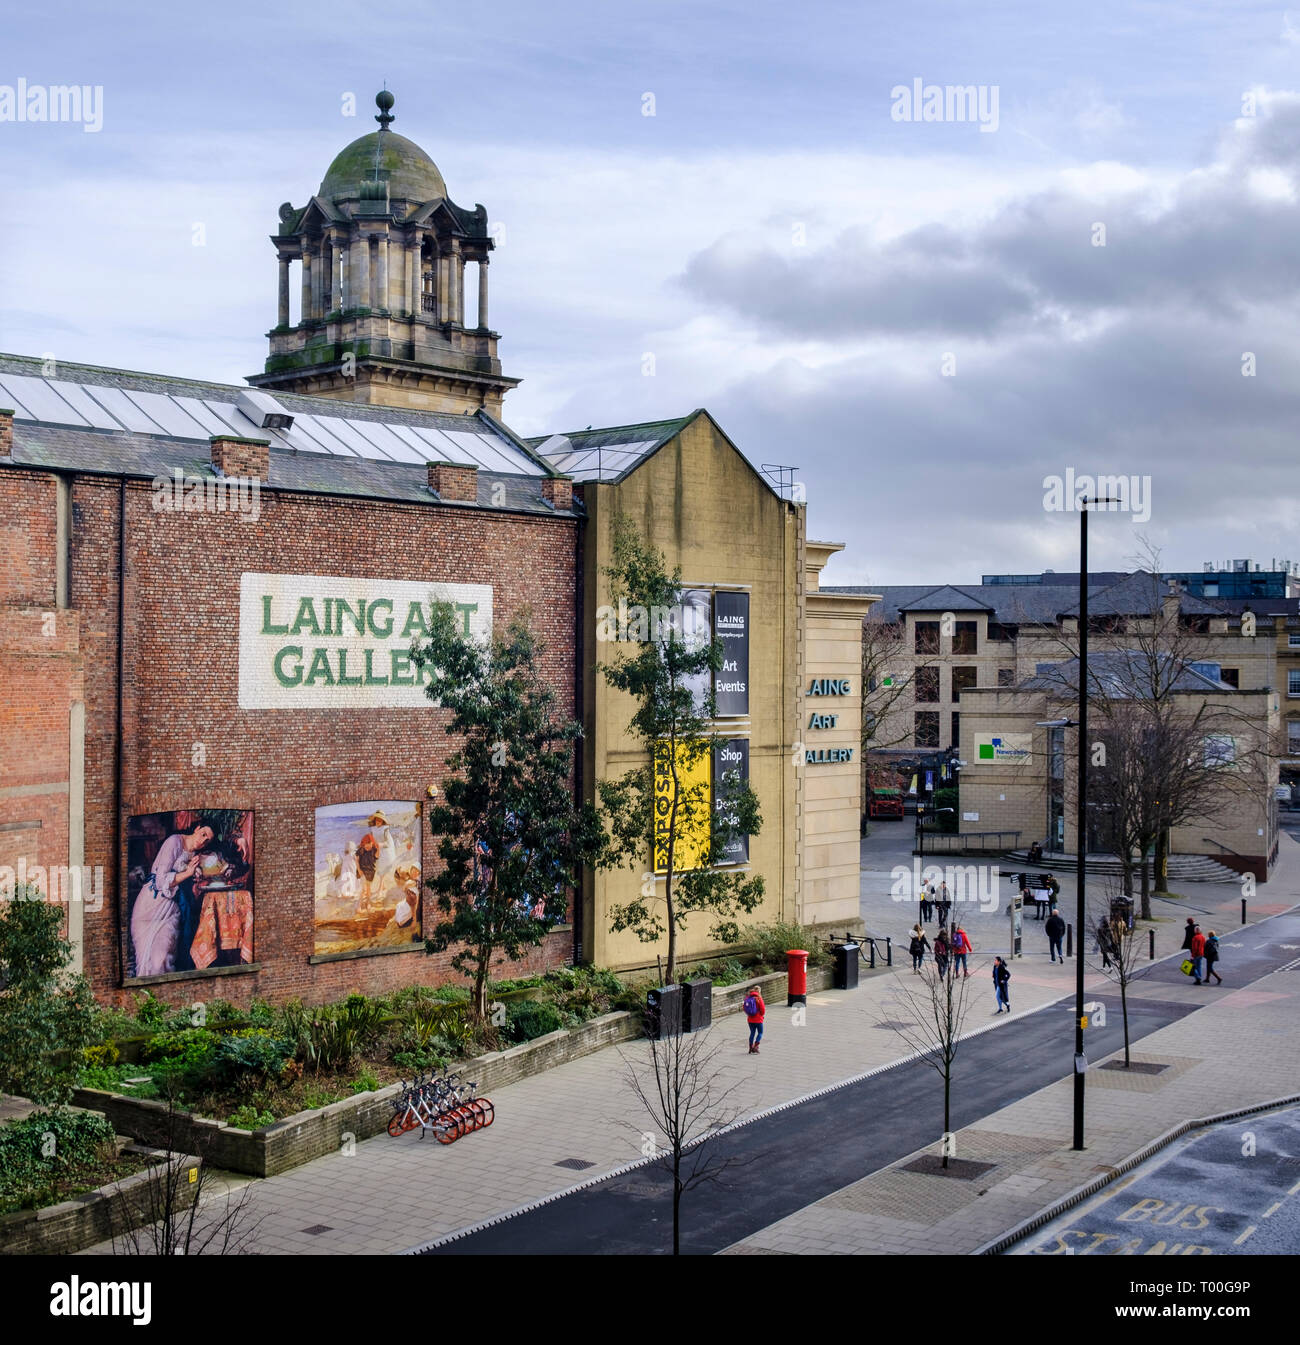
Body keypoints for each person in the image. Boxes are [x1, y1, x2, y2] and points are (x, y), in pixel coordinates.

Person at [129, 822, 215, 978]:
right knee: (145, 963)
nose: (203, 841)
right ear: (196, 829)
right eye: (203, 834)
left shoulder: (195, 854)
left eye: (208, 840)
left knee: (160, 960)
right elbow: (160, 881)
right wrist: (188, 873)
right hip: (149, 907)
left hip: (171, 910)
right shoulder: (174, 842)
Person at [743, 985, 766, 1053]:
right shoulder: (759, 998)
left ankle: (750, 1048)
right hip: (758, 1019)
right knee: (760, 1033)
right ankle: (755, 1046)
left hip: (750, 1019)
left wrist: (749, 1014)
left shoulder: (748, 998)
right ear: (759, 991)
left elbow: (744, 1008)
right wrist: (761, 1015)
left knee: (752, 1033)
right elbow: (763, 1010)